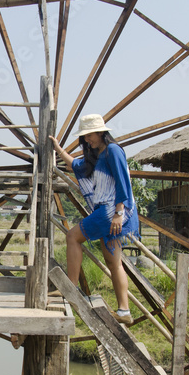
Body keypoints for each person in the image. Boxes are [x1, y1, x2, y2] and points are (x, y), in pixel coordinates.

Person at [49, 114, 139, 319]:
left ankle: (70, 288)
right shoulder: (97, 155)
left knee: (73, 236)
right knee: (113, 262)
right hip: (110, 212)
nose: (87, 140)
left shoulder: (113, 151)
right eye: (85, 137)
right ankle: (124, 311)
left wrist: (118, 213)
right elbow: (76, 166)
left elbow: (122, 181)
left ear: (100, 132)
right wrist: (58, 148)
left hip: (112, 212)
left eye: (89, 135)